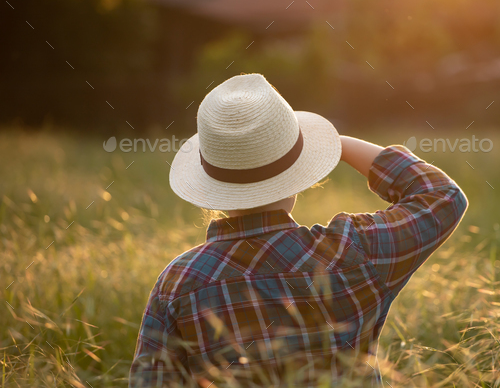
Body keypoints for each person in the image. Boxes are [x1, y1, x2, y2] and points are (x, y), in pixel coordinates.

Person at [129, 73, 468, 387]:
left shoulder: (178, 283)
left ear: (212, 181)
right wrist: (340, 142)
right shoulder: (352, 252)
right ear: (297, 171)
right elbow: (442, 196)